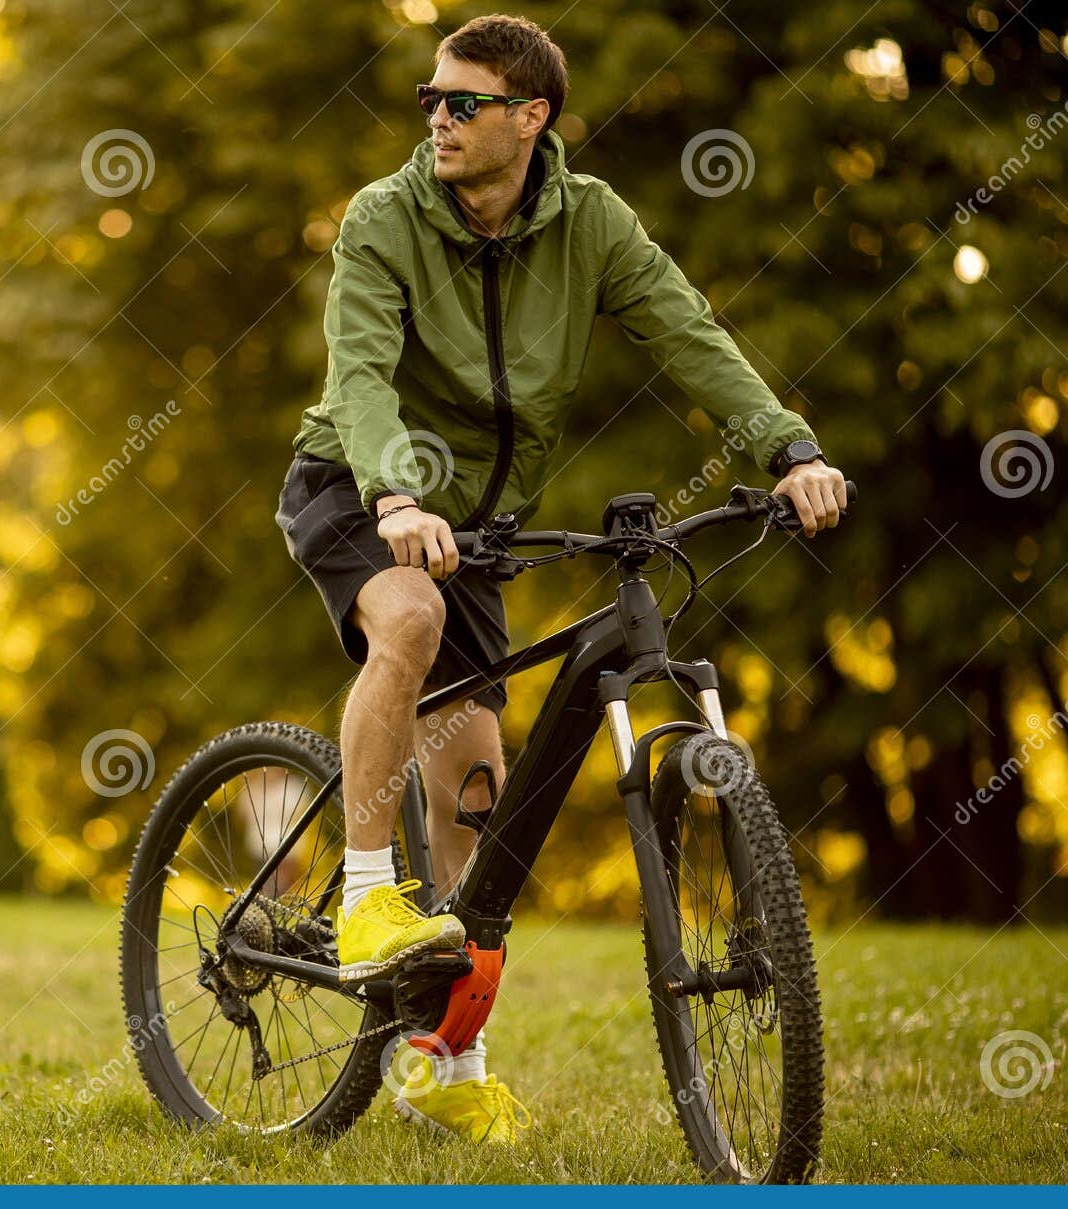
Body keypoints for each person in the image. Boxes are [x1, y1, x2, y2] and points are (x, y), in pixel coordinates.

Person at [274, 13, 849, 1143]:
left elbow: (689, 334)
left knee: (478, 793)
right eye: (431, 99)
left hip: (481, 521)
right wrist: (396, 493)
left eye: (464, 102)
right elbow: (359, 378)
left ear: (530, 119)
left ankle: (445, 1058)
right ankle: (359, 898)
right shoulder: (384, 221)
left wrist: (789, 448)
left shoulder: (592, 224)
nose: (437, 117)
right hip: (357, 483)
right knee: (409, 619)